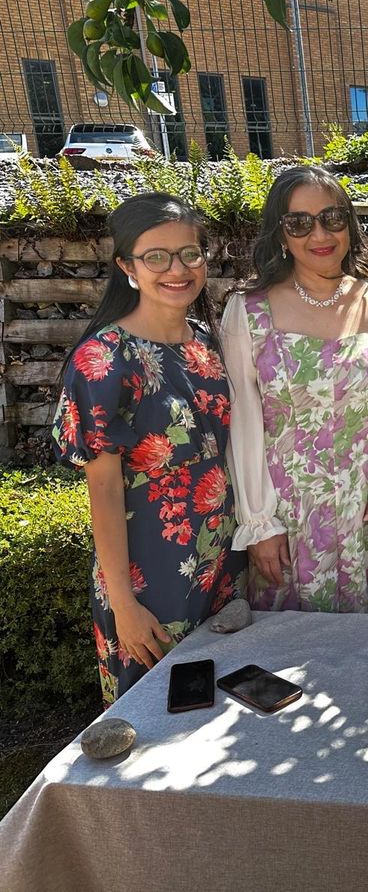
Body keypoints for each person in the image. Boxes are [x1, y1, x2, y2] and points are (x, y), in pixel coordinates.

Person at [52, 193, 246, 706]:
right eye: (155, 256)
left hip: (221, 564)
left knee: (222, 715)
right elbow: (104, 489)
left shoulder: (205, 342)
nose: (176, 269)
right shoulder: (102, 359)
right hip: (148, 578)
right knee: (157, 718)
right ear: (126, 266)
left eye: (189, 253)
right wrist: (123, 603)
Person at [222, 165, 368, 613]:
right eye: (299, 223)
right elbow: (243, 420)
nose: (319, 234)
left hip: (367, 512)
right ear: (280, 234)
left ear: (350, 224)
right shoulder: (248, 312)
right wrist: (259, 522)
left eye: (332, 218)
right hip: (286, 517)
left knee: (365, 657)